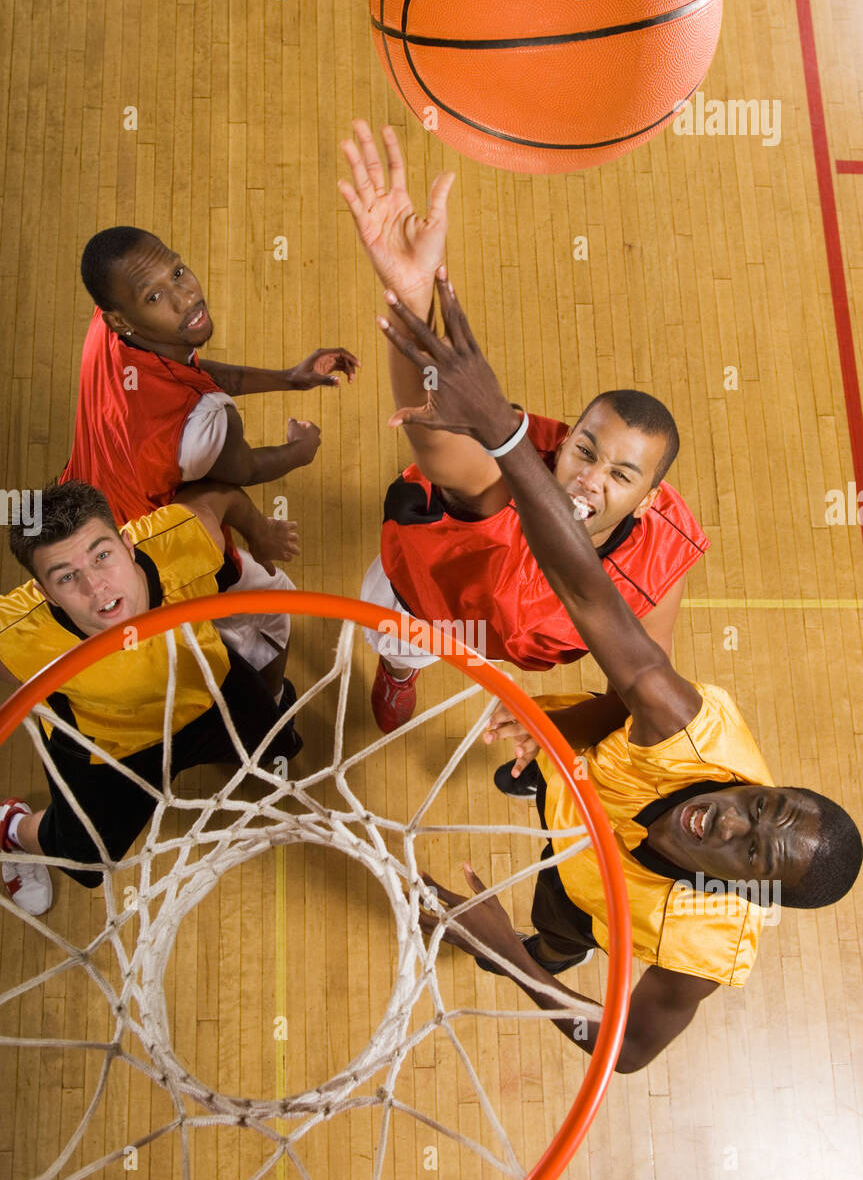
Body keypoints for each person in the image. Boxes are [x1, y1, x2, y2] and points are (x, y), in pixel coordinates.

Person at [377, 271, 863, 1073]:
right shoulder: (687, 729)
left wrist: (506, 953)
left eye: (752, 852)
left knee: (556, 929)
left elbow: (628, 1051)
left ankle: (541, 941)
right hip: (590, 784)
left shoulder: (705, 948)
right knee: (551, 787)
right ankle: (539, 777)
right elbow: (586, 592)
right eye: (761, 804)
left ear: (751, 891)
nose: (730, 820)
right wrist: (499, 432)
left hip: (593, 889)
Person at [338, 122, 708, 745]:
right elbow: (432, 431)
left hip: (525, 637)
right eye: (586, 451)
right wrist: (411, 292)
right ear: (561, 446)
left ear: (648, 503)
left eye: (621, 475)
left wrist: (558, 728)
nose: (591, 477)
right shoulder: (503, 474)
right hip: (432, 596)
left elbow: (639, 680)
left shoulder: (659, 558)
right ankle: (401, 669)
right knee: (403, 641)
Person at [60, 226, 359, 696]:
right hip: (153, 556)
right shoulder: (205, 425)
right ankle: (267, 713)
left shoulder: (110, 328)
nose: (185, 298)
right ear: (122, 319)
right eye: (157, 295)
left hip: (87, 511)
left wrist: (288, 378)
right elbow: (243, 473)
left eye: (178, 272)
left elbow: (188, 373)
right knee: (270, 612)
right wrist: (301, 452)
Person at [0, 480, 302, 917]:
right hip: (109, 748)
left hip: (206, 695)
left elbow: (219, 498)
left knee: (276, 745)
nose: (96, 588)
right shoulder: (19, 635)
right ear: (46, 594)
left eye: (102, 556)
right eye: (67, 577)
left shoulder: (180, 540)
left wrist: (258, 530)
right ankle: (12, 827)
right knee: (84, 861)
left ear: (126, 544)